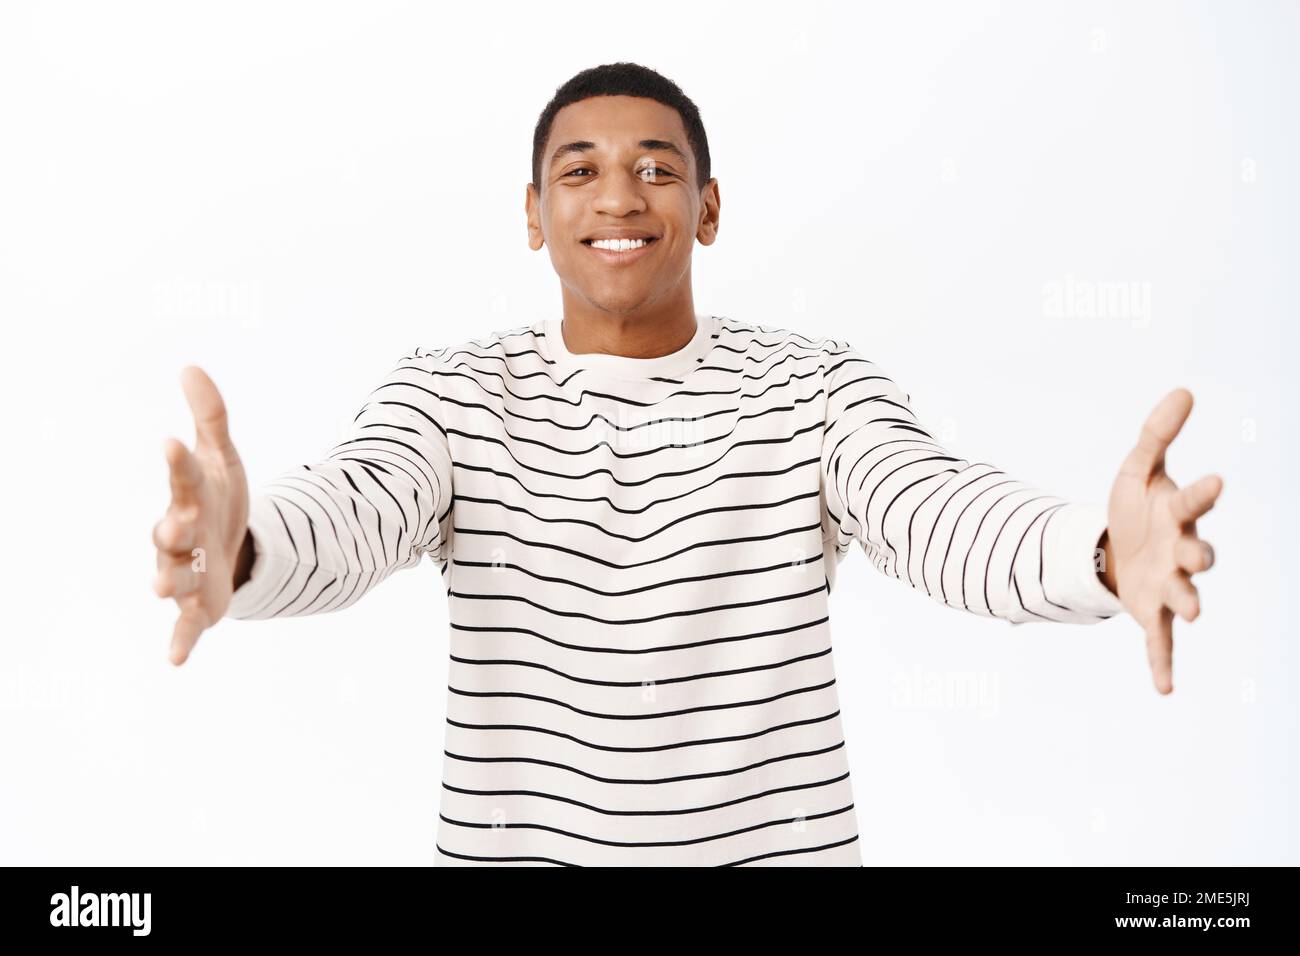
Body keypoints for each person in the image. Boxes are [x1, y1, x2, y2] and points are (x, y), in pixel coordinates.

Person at [151, 62, 1222, 866]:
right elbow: (352, 510)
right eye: (580, 171)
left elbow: (937, 511)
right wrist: (242, 549)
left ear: (707, 208)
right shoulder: (454, 394)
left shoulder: (812, 388)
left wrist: (1096, 553)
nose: (619, 198)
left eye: (656, 170)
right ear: (533, 214)